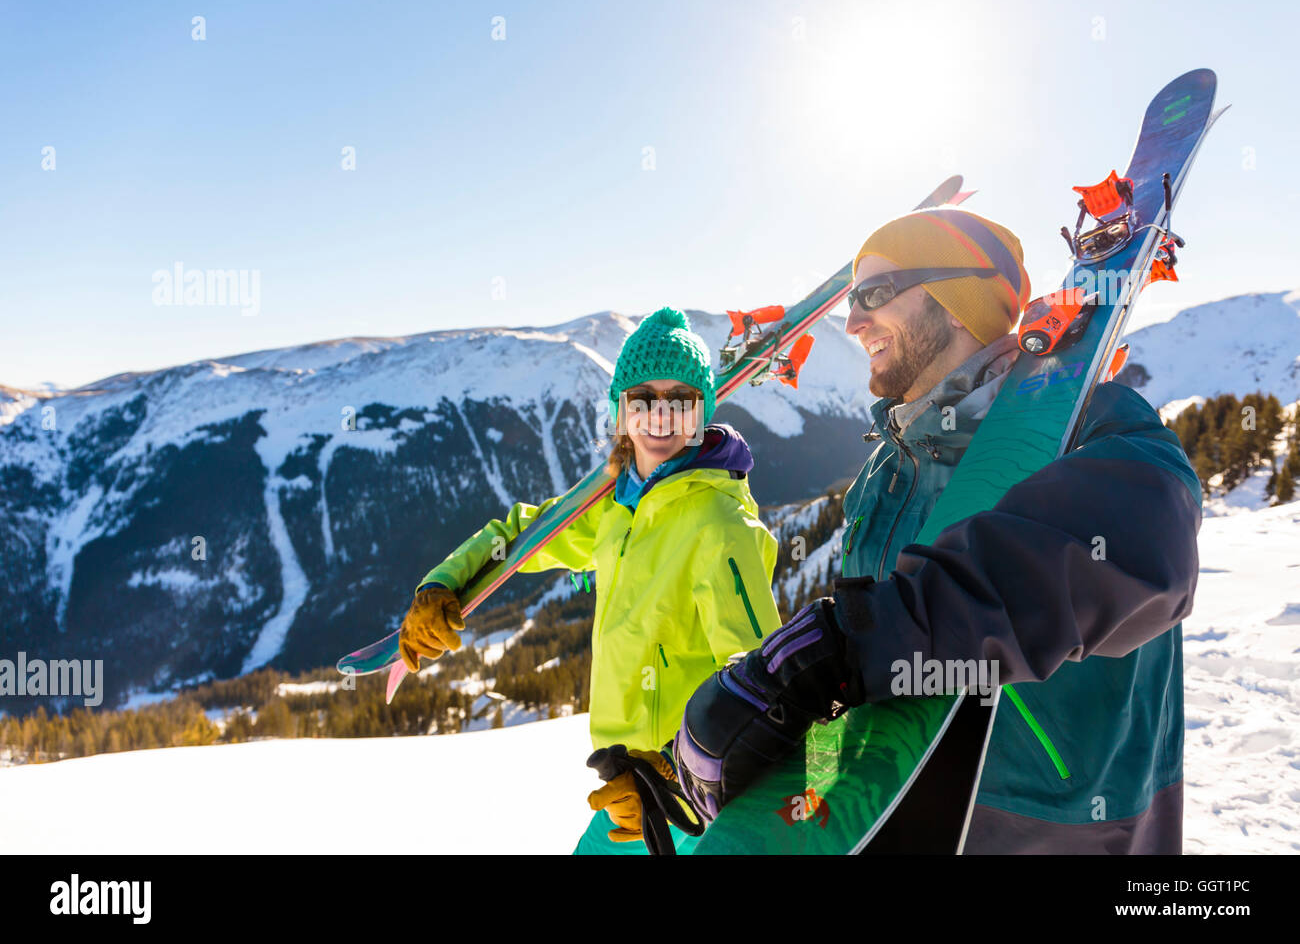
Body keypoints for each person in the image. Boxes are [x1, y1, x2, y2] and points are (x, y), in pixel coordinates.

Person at [670, 207, 1201, 854]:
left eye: (873, 294)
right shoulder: (887, 467)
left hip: (1061, 823)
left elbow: (1146, 549)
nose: (854, 321)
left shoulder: (1091, 418)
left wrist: (856, 642)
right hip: (898, 804)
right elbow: (874, 664)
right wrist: (793, 721)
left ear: (957, 303)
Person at [397, 306, 782, 854]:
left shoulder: (719, 523)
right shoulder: (615, 507)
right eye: (643, 400)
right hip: (627, 782)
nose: (661, 417)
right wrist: (444, 584)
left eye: (681, 402)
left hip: (691, 795)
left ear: (701, 414)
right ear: (621, 412)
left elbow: (756, 679)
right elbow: (523, 535)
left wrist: (672, 772)